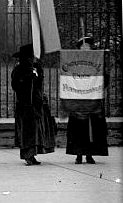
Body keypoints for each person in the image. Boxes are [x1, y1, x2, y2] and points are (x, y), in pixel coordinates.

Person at [65, 36, 109, 165]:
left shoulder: (97, 63)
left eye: (88, 48)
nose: (85, 50)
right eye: (83, 48)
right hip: (78, 102)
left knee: (93, 129)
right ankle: (78, 154)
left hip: (93, 101)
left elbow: (104, 79)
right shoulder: (74, 63)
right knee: (78, 130)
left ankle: (90, 154)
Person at [11, 43, 57, 166]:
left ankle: (33, 154)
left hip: (36, 103)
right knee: (27, 131)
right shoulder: (18, 69)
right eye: (30, 57)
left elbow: (39, 85)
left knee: (36, 131)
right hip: (24, 104)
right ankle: (28, 155)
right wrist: (27, 78)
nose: (33, 59)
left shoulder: (36, 68)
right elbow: (15, 85)